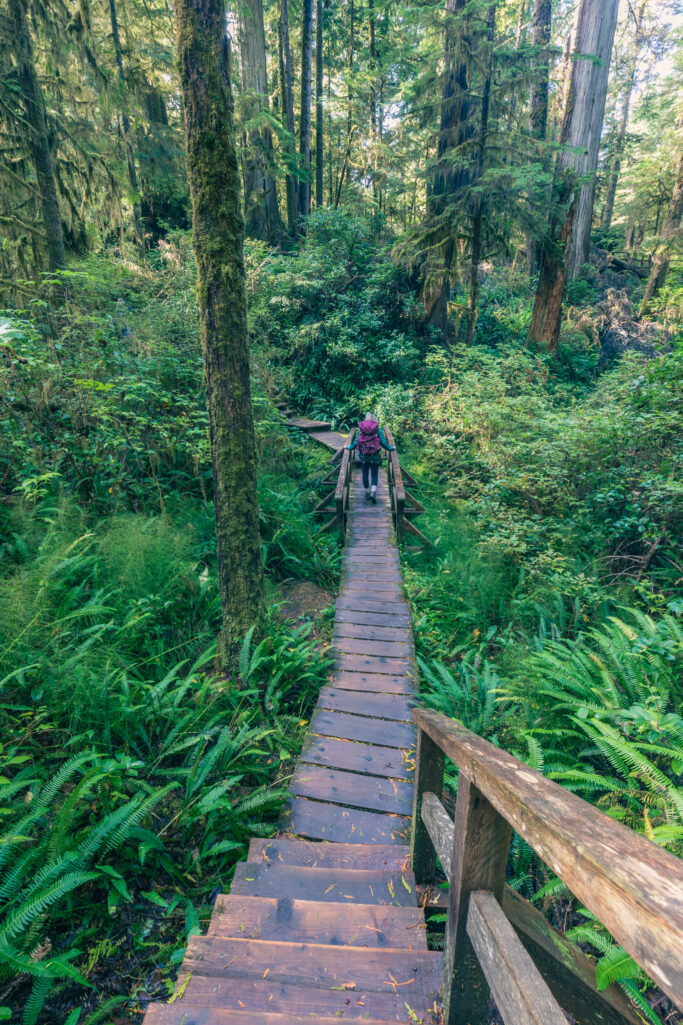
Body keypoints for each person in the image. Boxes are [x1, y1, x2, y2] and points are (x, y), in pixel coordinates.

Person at [346, 415, 395, 503]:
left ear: (366, 419)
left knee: (365, 473)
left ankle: (367, 492)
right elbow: (383, 442)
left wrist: (348, 447)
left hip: (363, 456)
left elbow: (356, 442)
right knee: (374, 474)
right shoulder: (377, 430)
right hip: (375, 456)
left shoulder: (361, 429)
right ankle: (373, 493)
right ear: (374, 420)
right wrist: (391, 448)